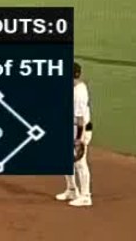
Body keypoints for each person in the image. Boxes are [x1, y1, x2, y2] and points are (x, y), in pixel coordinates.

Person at [56, 61, 93, 206]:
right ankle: (72, 190)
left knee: (79, 162)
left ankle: (85, 196)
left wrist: (78, 139)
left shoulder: (79, 93)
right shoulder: (73, 87)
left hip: (80, 130)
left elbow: (80, 120)